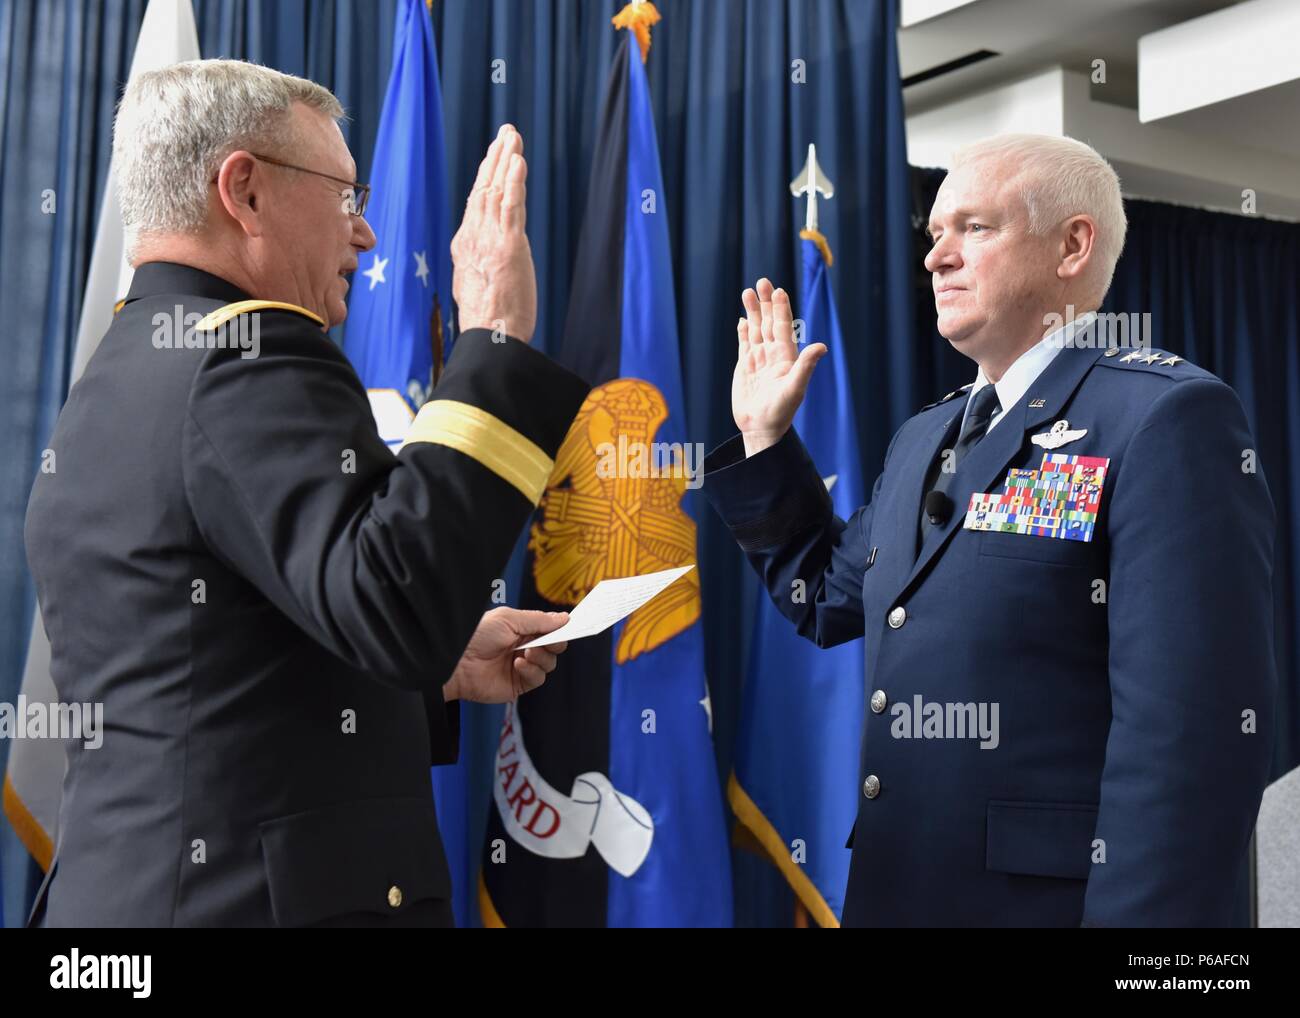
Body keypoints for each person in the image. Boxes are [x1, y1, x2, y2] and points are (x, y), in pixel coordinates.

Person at [25, 59, 588, 927]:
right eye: (345, 196)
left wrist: (432, 672)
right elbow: (396, 601)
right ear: (243, 191)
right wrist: (495, 341)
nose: (364, 237)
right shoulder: (247, 357)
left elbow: (208, 668)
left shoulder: (124, 370)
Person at [704, 133, 1276, 927]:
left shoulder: (1162, 417)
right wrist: (766, 440)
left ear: (1072, 245)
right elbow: (825, 598)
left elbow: (1190, 745)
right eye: (934, 233)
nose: (937, 257)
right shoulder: (923, 440)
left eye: (974, 228)